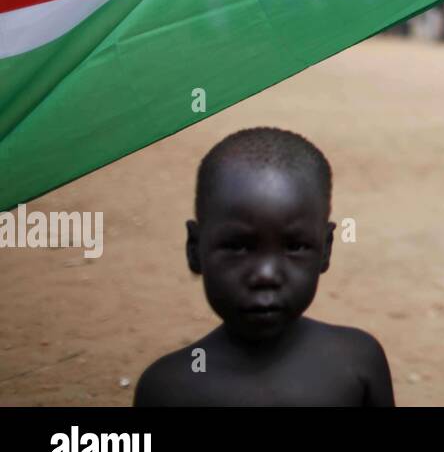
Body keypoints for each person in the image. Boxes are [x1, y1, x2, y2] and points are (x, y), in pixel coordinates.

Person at [134, 128, 394, 406]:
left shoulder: (357, 362)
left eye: (294, 246)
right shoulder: (167, 389)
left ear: (326, 249)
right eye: (238, 246)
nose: (265, 275)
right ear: (195, 249)